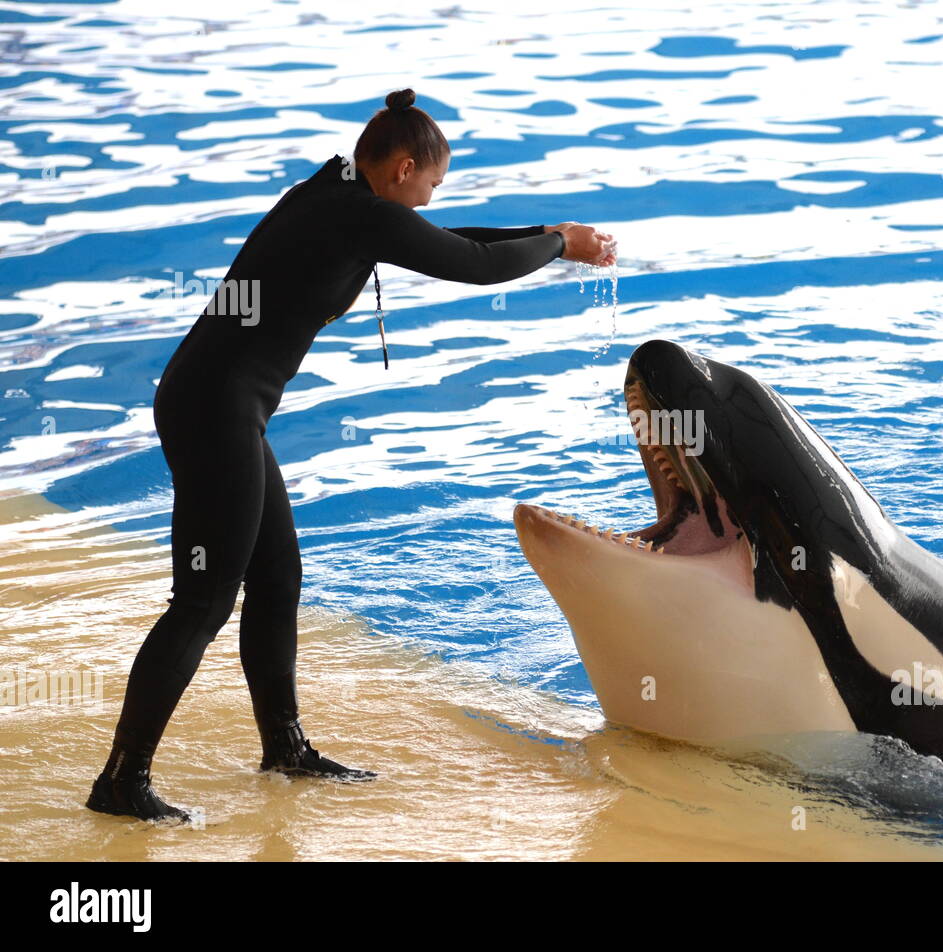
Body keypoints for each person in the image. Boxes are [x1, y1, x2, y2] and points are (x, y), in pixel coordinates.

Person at [86, 87, 617, 822]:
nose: (427, 202)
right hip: (215, 410)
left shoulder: (337, 194)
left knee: (277, 579)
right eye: (428, 186)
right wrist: (561, 245)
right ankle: (121, 779)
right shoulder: (356, 212)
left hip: (216, 402)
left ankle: (286, 748)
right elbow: (468, 262)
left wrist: (549, 229)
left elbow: (449, 238)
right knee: (203, 600)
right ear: (401, 171)